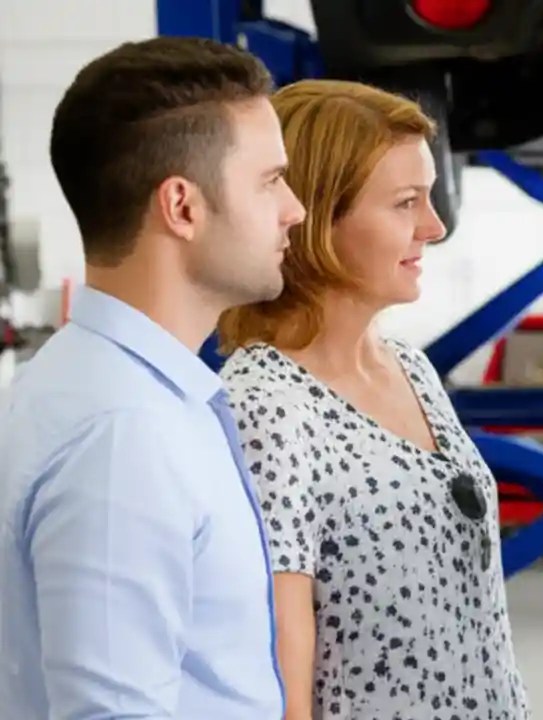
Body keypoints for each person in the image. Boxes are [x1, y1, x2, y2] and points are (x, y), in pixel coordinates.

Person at [0, 37, 306, 718]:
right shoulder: (123, 433)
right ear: (182, 207)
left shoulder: (119, 388)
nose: (295, 209)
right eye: (269, 181)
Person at [215, 79, 530, 719]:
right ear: (316, 217)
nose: (434, 228)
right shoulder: (267, 406)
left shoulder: (409, 367)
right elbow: (284, 654)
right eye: (405, 204)